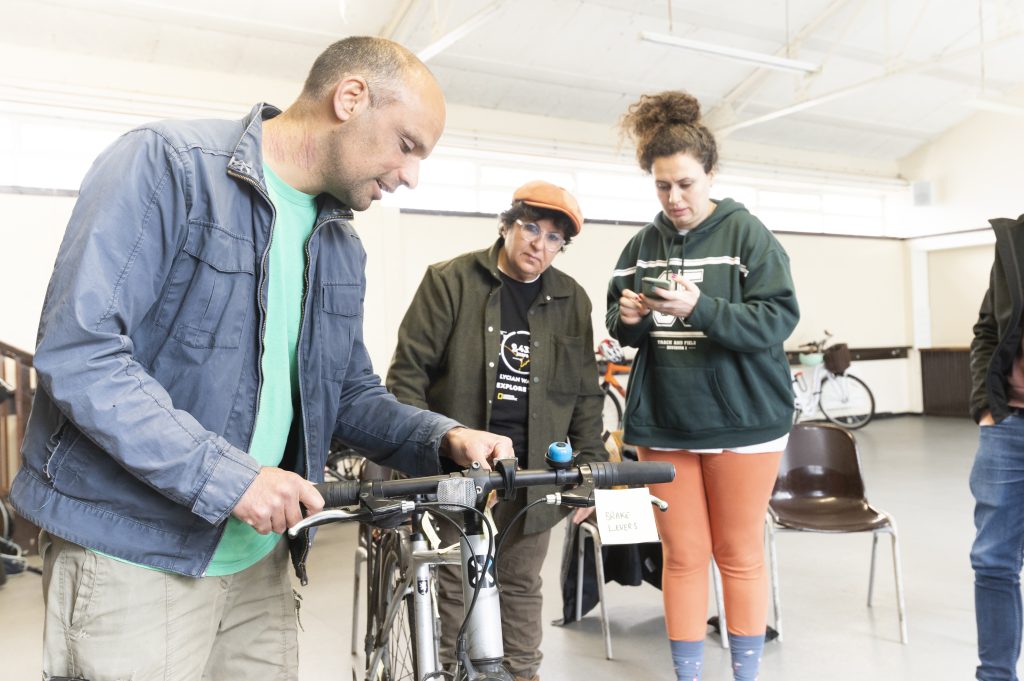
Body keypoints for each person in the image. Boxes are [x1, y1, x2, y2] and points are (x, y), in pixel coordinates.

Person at [10, 36, 513, 681]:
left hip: (261, 562)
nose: (410, 174)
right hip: (133, 558)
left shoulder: (339, 245)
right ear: (350, 97)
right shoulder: (167, 167)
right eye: (406, 145)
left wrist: (444, 439)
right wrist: (234, 480)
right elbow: (84, 354)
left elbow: (347, 395)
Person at [606, 91, 799, 681]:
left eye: (686, 184)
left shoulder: (747, 235)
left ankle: (746, 674)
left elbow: (778, 319)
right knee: (683, 558)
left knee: (738, 556)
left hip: (744, 422)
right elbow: (619, 328)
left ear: (710, 173)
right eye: (663, 186)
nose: (675, 199)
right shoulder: (641, 245)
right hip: (664, 422)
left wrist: (703, 308)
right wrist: (629, 320)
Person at [386, 180, 607, 681]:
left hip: (533, 473)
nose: (539, 244)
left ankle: (522, 675)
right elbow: (406, 379)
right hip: (456, 467)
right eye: (531, 228)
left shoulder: (573, 299)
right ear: (507, 225)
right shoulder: (450, 281)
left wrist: (588, 473)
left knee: (521, 582)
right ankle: (450, 673)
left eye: (554, 238)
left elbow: (585, 394)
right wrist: (427, 452)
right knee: (452, 582)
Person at [969, 212, 1024, 681]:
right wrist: (987, 407)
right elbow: (988, 328)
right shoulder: (1014, 239)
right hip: (1010, 424)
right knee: (993, 561)